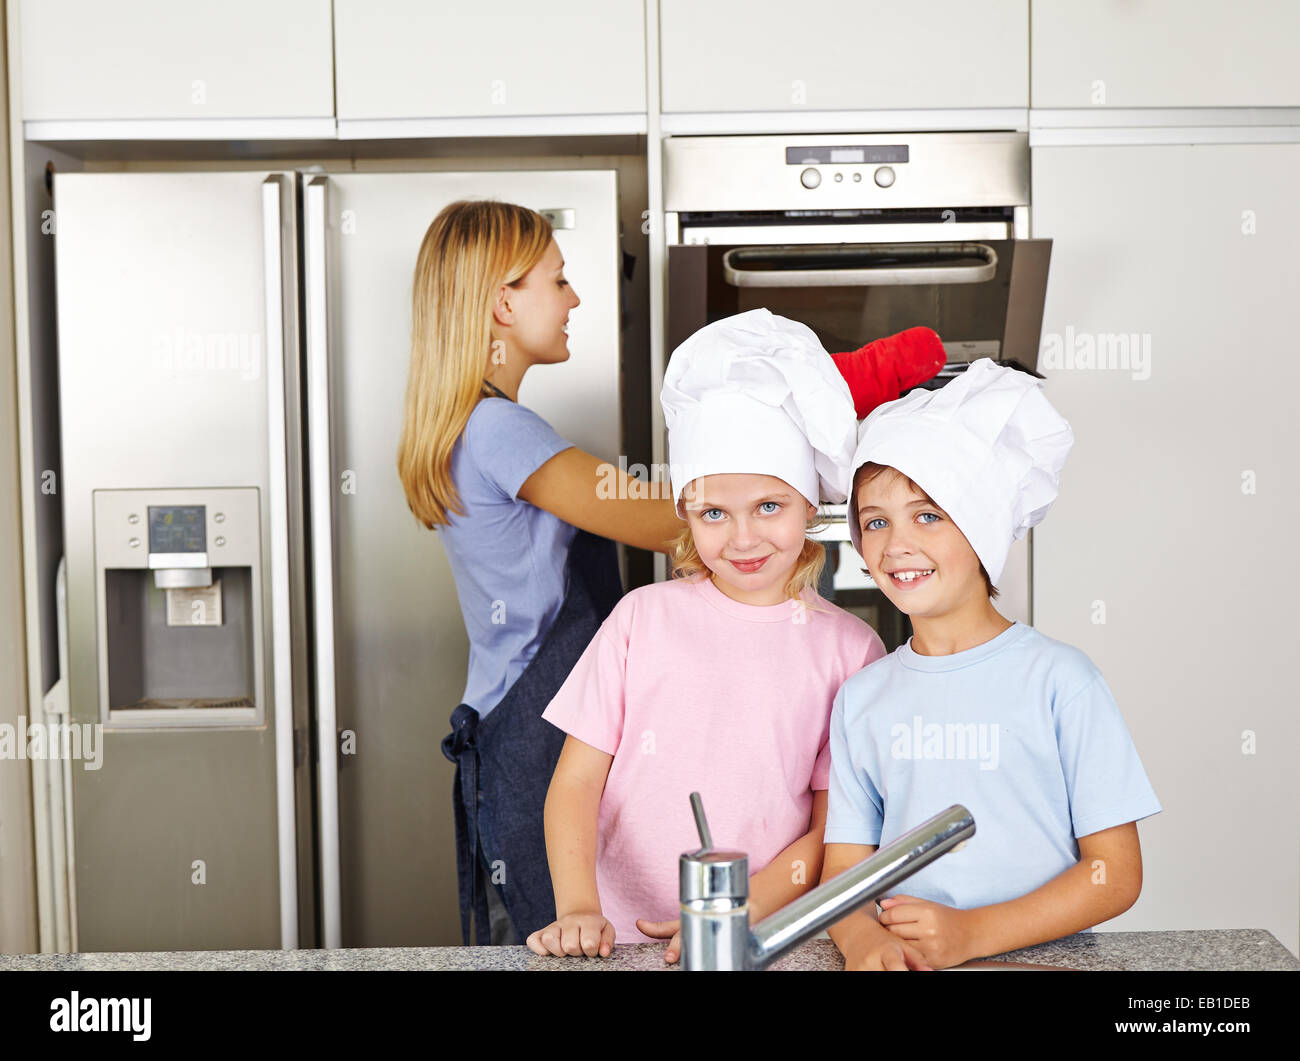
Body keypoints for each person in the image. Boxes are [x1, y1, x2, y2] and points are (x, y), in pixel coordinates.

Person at [526, 308, 887, 964]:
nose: (743, 538)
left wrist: (739, 913)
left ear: (811, 504)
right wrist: (579, 906)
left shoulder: (851, 651)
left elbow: (832, 827)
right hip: (620, 942)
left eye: (769, 507)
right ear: (686, 514)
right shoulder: (641, 619)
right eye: (714, 512)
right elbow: (575, 783)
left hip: (767, 939)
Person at [397, 200, 682, 947]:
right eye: (558, 280)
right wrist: (770, 499)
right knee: (553, 948)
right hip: (537, 738)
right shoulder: (499, 429)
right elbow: (653, 517)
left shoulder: (474, 425)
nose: (575, 299)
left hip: (519, 733)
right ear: (502, 302)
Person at [821, 358, 1162, 970]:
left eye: (929, 515)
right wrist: (864, 939)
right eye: (875, 522)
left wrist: (973, 934)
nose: (897, 543)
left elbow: (1115, 874)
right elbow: (845, 871)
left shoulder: (1062, 681)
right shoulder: (861, 698)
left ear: (981, 528)